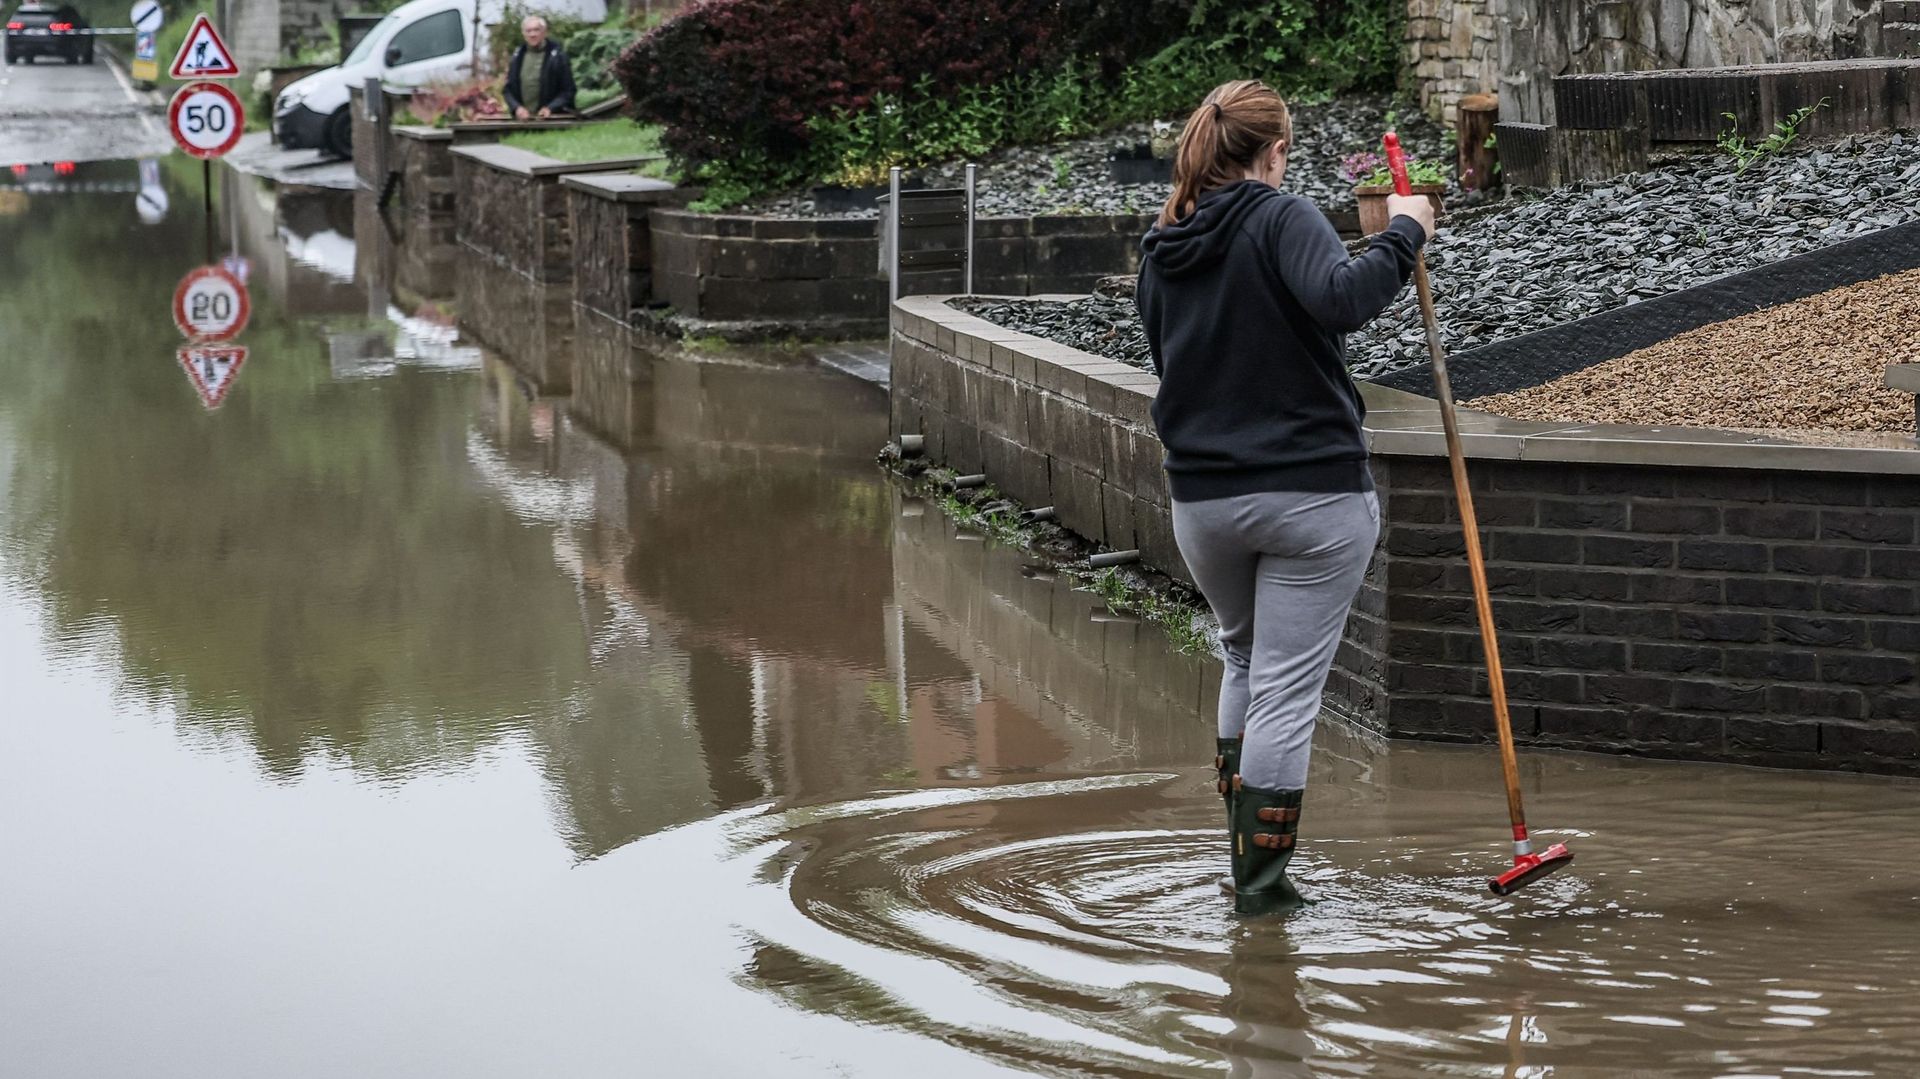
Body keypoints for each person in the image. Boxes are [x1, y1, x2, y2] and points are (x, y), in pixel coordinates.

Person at [1134, 80, 1435, 916]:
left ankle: (1241, 848)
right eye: (1287, 151)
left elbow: (1169, 357)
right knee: (1287, 692)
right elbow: (1342, 301)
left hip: (1203, 504)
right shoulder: (1282, 215)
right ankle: (1261, 893)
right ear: (1272, 154)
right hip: (1309, 498)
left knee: (1242, 658)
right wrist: (1407, 231)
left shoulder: (1164, 244)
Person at [503, 15, 576, 120]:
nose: (532, 34)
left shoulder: (558, 57)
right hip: (524, 122)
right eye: (528, 31)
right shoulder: (517, 57)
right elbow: (507, 90)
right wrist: (517, 108)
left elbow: (569, 91)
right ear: (523, 34)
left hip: (553, 120)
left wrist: (550, 108)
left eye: (536, 30)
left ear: (545, 32)